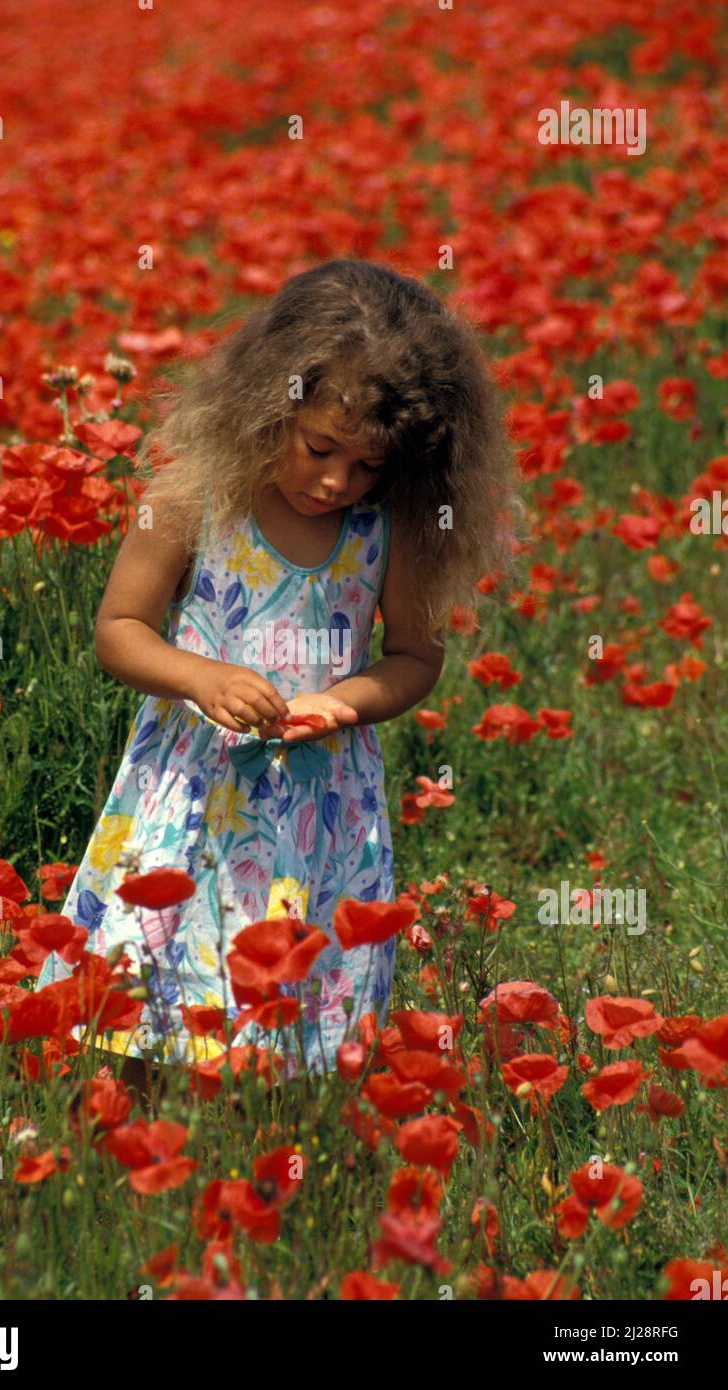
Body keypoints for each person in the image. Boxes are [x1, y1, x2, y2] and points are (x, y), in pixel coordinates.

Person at [35, 257, 517, 1108]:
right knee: (148, 992)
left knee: (285, 1014)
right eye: (320, 448)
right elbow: (119, 632)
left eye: (368, 465)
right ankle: (124, 1154)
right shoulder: (196, 497)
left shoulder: (386, 528)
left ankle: (260, 1160)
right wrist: (202, 676)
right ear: (271, 403)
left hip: (316, 807)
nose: (337, 481)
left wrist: (345, 702)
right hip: (190, 796)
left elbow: (414, 655)